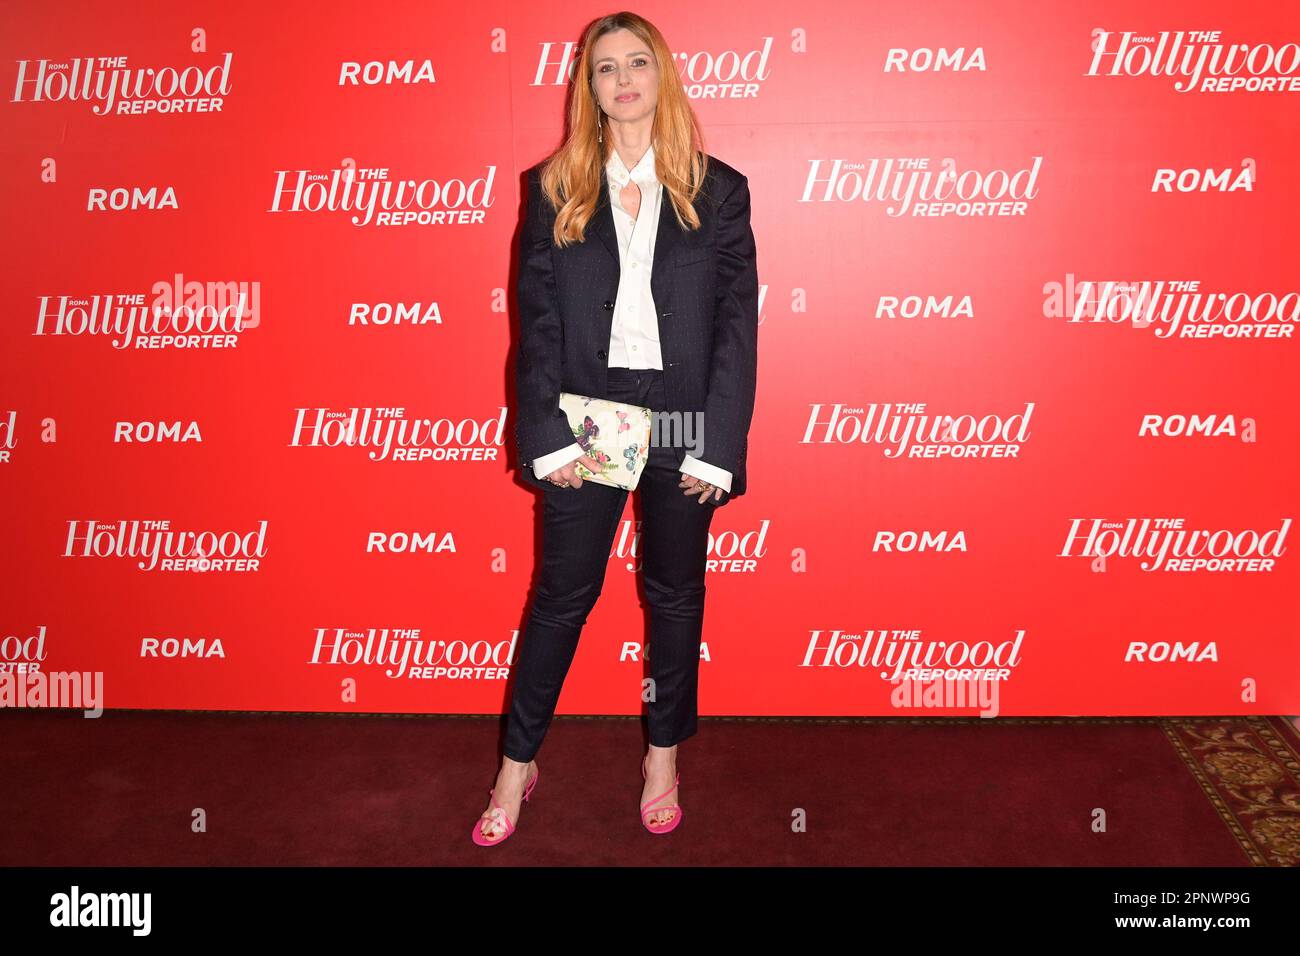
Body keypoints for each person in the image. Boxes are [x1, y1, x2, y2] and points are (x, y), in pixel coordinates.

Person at [472, 11, 758, 844]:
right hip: (585, 420)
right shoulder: (554, 185)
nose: (624, 78)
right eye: (606, 68)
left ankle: (662, 756)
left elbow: (738, 327)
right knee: (561, 599)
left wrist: (718, 446)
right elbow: (537, 324)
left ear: (661, 76)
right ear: (587, 87)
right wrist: (547, 437)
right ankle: (516, 767)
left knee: (674, 598)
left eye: (639, 63)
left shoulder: (720, 188)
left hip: (682, 419)